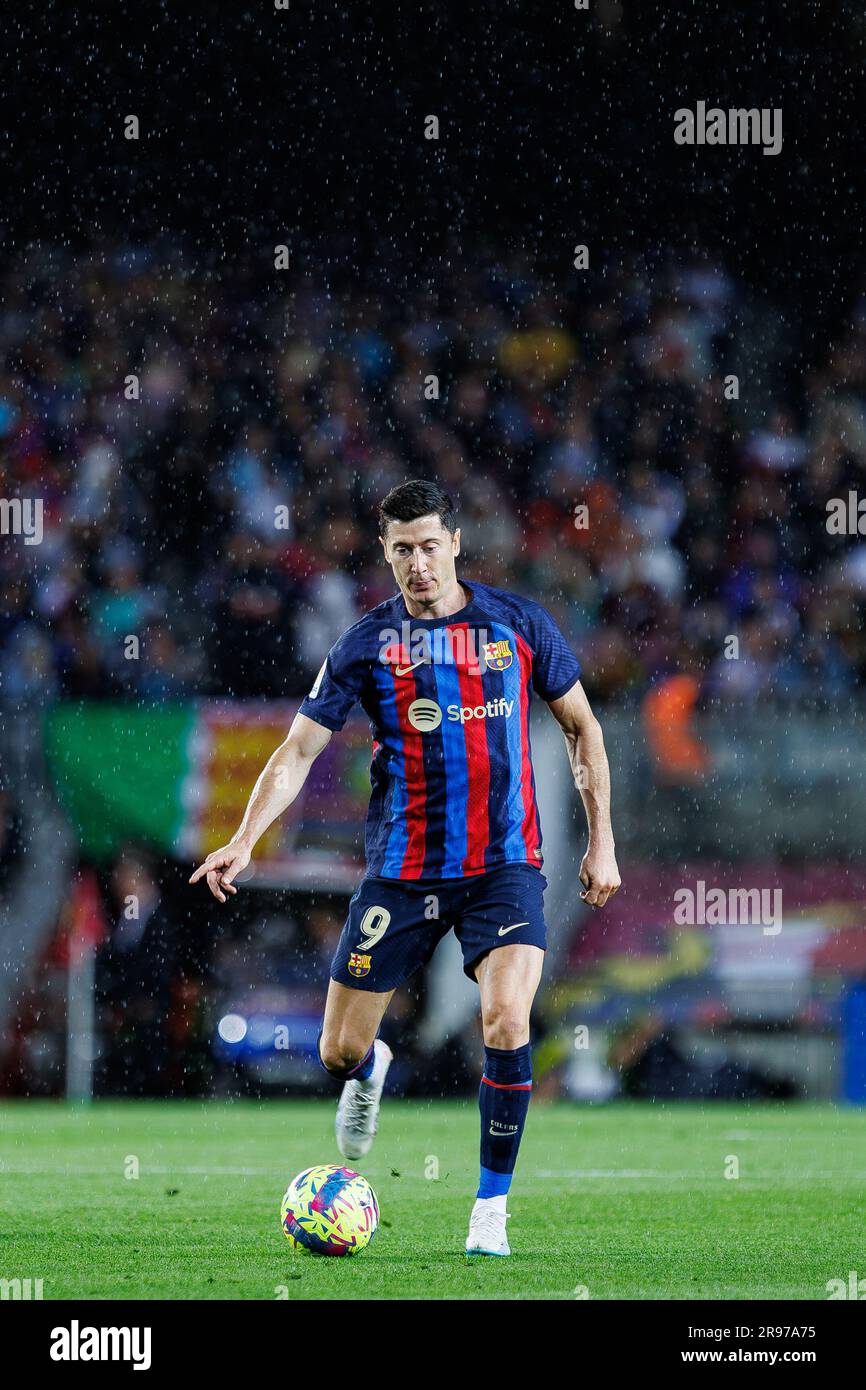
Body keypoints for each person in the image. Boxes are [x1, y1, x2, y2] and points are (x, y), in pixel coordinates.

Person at [190, 480, 621, 1256]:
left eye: (429, 546)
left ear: (455, 542)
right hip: (404, 870)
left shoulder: (519, 624)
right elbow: (296, 752)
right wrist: (245, 837)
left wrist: (603, 843)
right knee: (338, 1052)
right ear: (384, 555)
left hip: (504, 865)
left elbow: (582, 730)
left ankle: (490, 1211)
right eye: (401, 551)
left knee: (507, 1019)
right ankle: (371, 1067)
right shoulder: (365, 644)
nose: (418, 564)